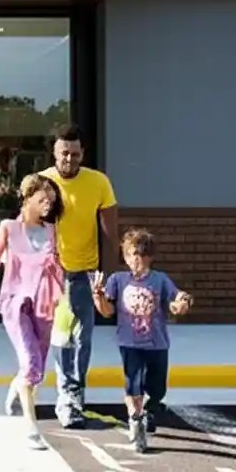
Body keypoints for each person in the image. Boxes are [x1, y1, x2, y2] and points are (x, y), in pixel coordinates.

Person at [0, 173, 66, 450]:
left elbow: (57, 270)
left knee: (37, 367)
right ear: (27, 199)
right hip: (14, 303)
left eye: (50, 201)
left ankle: (18, 386)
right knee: (30, 362)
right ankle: (31, 426)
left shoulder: (52, 231)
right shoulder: (7, 228)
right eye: (42, 200)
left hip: (44, 303)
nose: (47, 206)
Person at [40, 122, 118, 429]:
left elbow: (111, 233)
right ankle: (67, 397)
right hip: (55, 273)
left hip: (87, 272)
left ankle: (74, 392)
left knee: (82, 337)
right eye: (64, 153)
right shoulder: (43, 182)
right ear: (54, 153)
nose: (69, 159)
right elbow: (30, 226)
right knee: (62, 337)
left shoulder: (98, 182)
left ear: (82, 153)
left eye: (74, 153)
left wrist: (109, 276)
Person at [92, 228, 193, 453]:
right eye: (130, 255)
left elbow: (177, 299)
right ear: (124, 257)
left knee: (157, 389)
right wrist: (98, 297)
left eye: (140, 255)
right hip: (129, 343)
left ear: (149, 257)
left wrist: (182, 303)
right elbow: (107, 311)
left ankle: (149, 407)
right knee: (133, 385)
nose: (135, 260)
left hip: (156, 342)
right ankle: (135, 421)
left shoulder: (159, 280)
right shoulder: (118, 280)